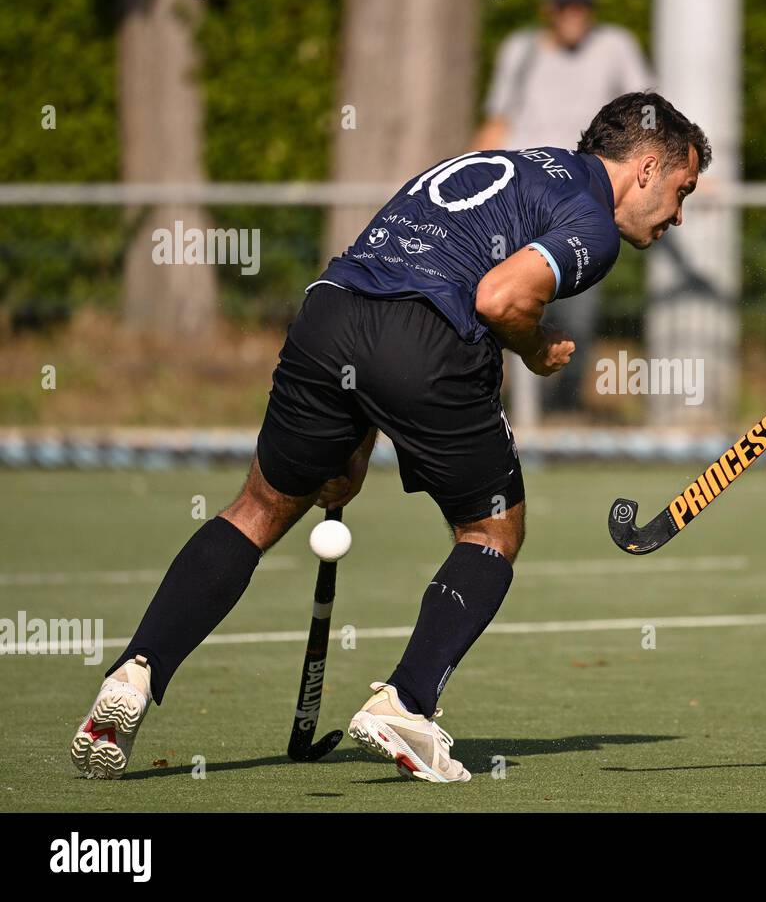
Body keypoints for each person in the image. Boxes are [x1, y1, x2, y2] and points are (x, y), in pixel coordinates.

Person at [71, 91, 710, 783]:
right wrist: (530, 348)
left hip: (329, 318)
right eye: (681, 191)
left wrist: (354, 437)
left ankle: (134, 672)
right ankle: (406, 701)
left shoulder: (503, 165)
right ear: (645, 167)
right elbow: (499, 298)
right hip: (426, 342)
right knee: (493, 530)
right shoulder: (593, 224)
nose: (677, 215)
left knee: (255, 507)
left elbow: (395, 283)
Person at [474, 0, 655, 413]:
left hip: (578, 203)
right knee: (496, 301)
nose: (575, 15)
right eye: (566, 7)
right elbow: (497, 123)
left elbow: (650, 114)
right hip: (516, 203)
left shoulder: (615, 47)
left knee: (576, 312)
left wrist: (678, 174)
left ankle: (561, 406)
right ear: (548, 11)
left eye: (583, 7)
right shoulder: (520, 51)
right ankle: (495, 403)